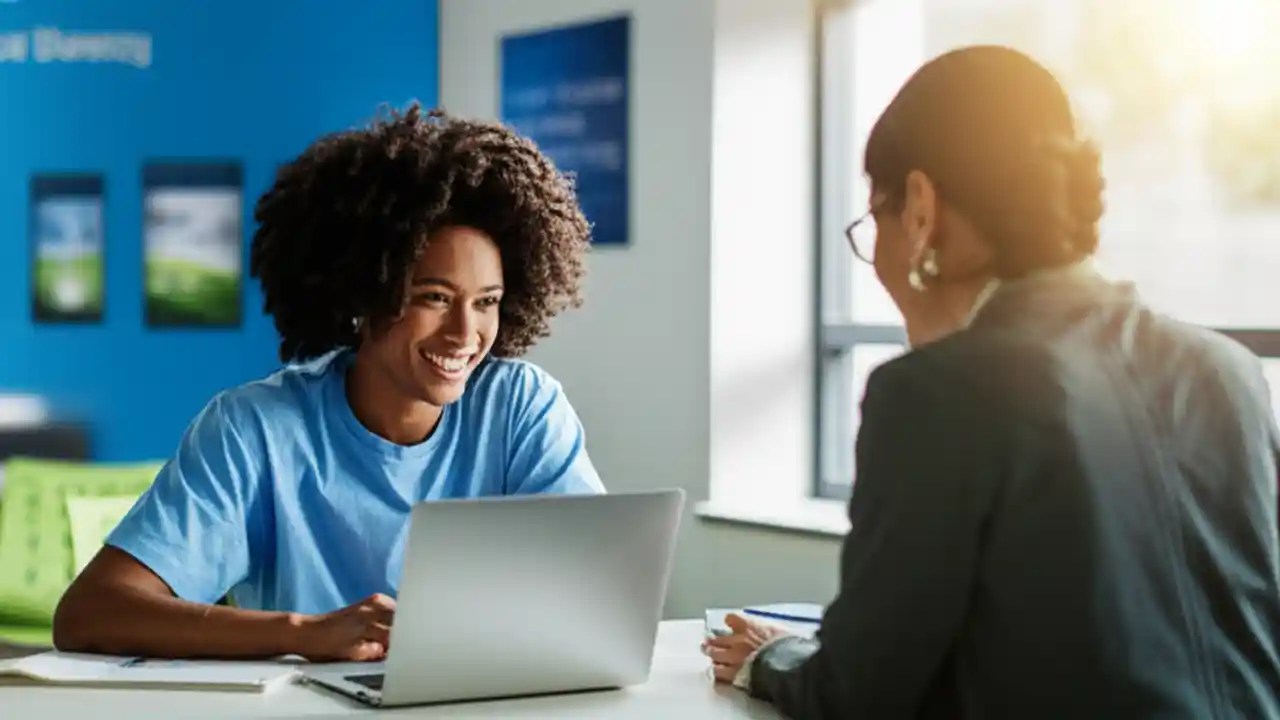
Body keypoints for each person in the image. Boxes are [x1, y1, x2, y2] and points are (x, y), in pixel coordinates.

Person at [705, 45, 1280, 718]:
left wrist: (773, 658)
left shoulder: (934, 395)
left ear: (920, 209)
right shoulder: (1229, 371)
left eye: (875, 220)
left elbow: (856, 695)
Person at [53, 105, 604, 661]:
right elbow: (92, 612)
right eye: (434, 298)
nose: (467, 333)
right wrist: (302, 634)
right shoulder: (255, 429)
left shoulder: (521, 408)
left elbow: (596, 590)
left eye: (486, 303)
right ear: (366, 294)